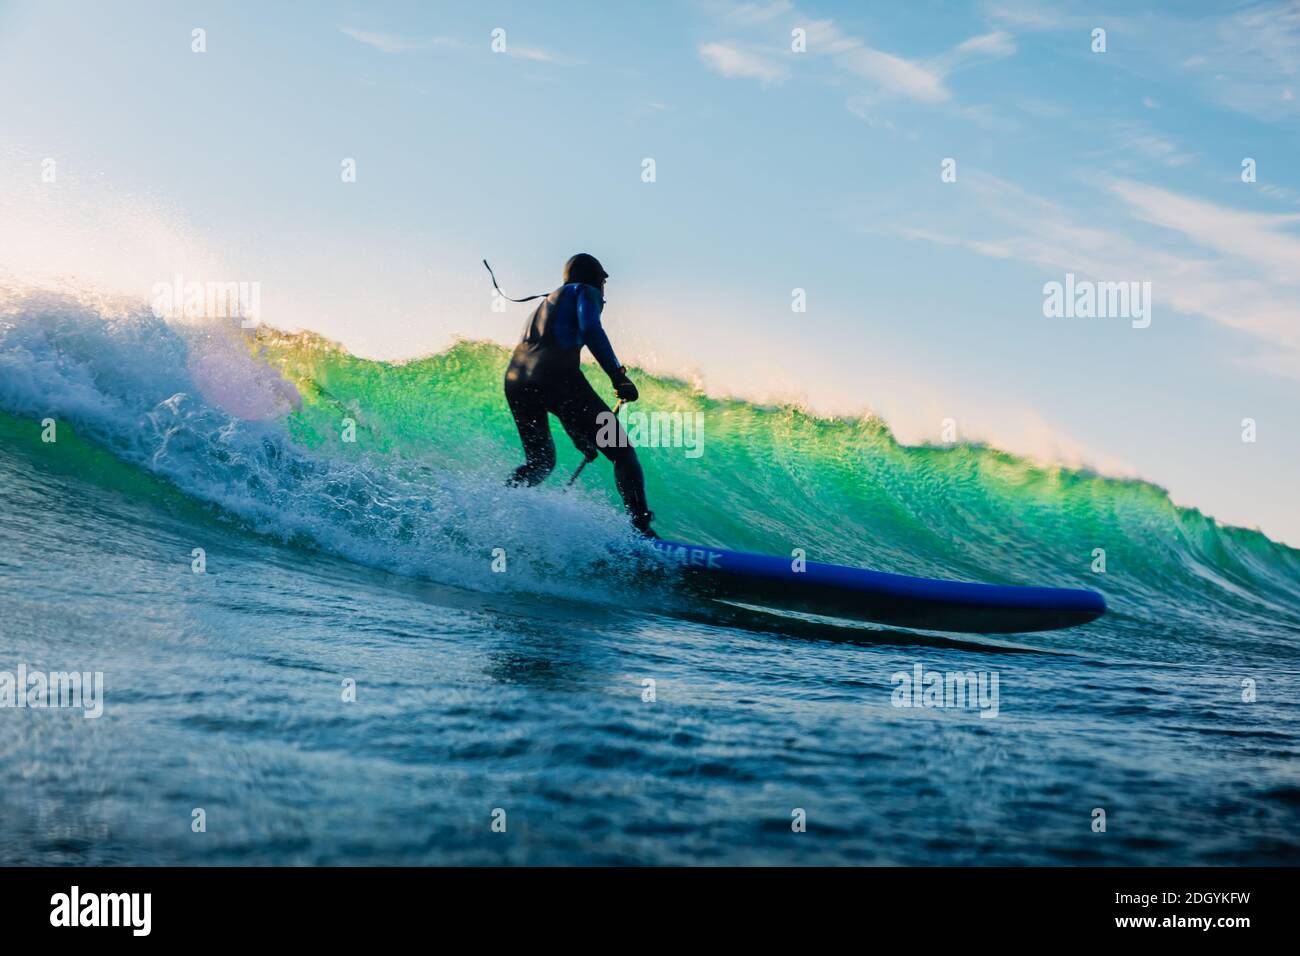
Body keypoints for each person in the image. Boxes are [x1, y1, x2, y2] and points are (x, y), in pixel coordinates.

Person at [503, 253, 657, 537]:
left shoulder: (545, 304)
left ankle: (497, 508)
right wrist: (618, 378)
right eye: (604, 282)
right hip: (557, 376)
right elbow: (591, 329)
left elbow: (556, 398)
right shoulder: (584, 291)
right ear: (598, 279)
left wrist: (579, 434)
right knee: (622, 452)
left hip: (516, 381)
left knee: (540, 463)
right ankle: (641, 530)